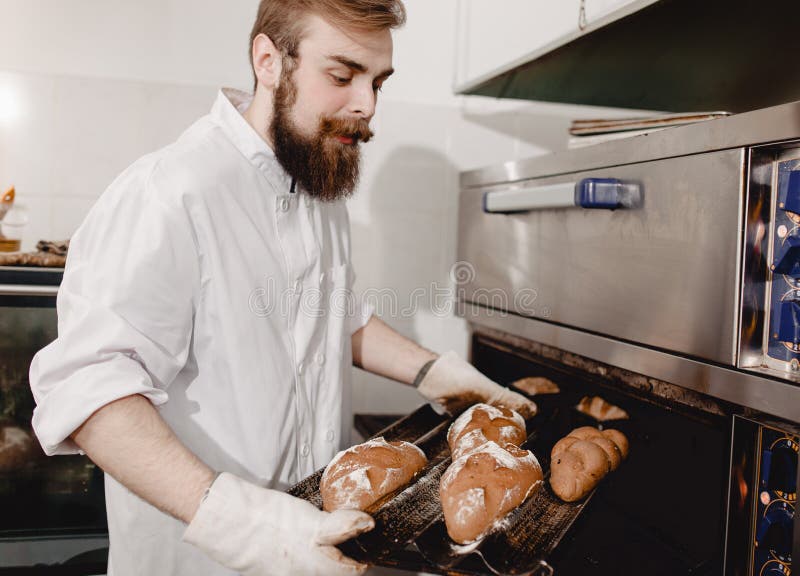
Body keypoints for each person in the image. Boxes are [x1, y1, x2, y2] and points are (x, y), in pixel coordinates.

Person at [28, 1, 536, 575]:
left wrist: (435, 372)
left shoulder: (318, 183)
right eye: (341, 76)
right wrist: (246, 525)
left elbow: (334, 317)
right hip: (203, 561)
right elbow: (90, 391)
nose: (366, 105)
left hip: (320, 545)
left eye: (377, 82)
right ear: (268, 60)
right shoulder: (170, 192)